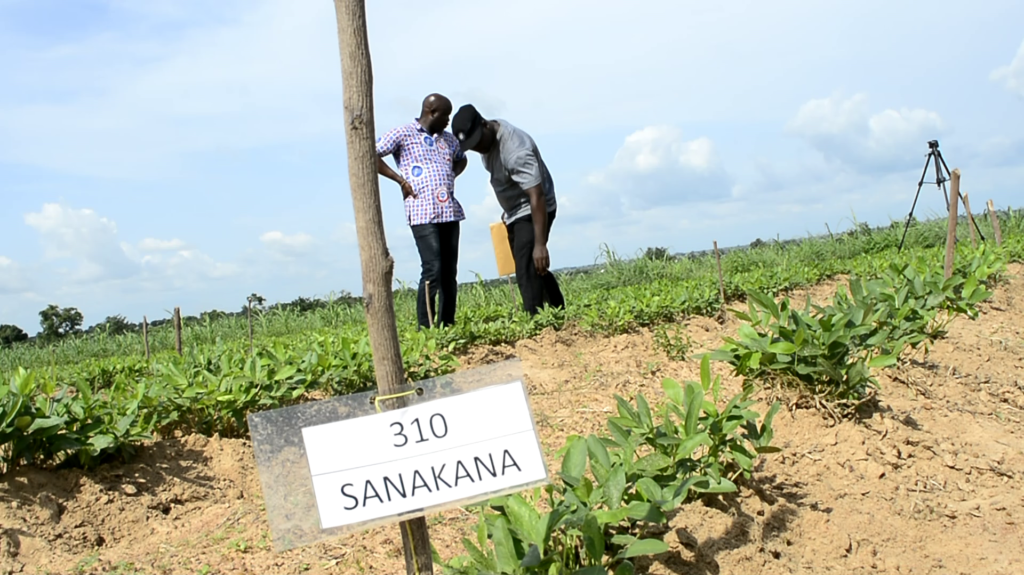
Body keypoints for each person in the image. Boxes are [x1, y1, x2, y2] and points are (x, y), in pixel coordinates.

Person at [451, 104, 565, 315]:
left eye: (477, 142)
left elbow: (537, 195)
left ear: (484, 125)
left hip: (533, 208)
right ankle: (558, 311)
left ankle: (535, 321)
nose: (477, 149)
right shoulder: (488, 139)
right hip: (515, 212)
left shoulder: (515, 149)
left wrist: (540, 244)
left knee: (525, 269)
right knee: (532, 266)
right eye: (471, 146)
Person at [376, 93, 468, 329]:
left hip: (449, 211)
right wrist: (400, 180)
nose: (448, 121)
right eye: (446, 115)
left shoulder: (448, 140)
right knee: (432, 268)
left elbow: (462, 159)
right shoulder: (403, 133)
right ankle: (425, 327)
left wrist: (452, 173)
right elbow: (371, 154)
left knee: (449, 272)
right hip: (422, 211)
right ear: (432, 112)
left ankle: (447, 325)